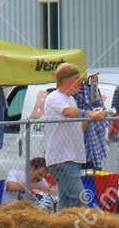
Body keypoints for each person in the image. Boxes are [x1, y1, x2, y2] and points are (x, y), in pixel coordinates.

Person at [42, 62, 108, 212]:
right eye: (77, 79)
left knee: (65, 205)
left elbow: (78, 128)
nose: (81, 83)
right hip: (62, 160)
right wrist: (90, 113)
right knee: (80, 200)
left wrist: (91, 118)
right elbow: (67, 112)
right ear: (66, 80)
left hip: (72, 159)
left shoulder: (70, 99)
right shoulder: (54, 98)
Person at [73, 71, 109, 170]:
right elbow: (95, 103)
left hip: (89, 141)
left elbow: (96, 103)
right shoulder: (72, 94)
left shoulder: (87, 90)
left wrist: (94, 85)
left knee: (92, 170)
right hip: (78, 142)